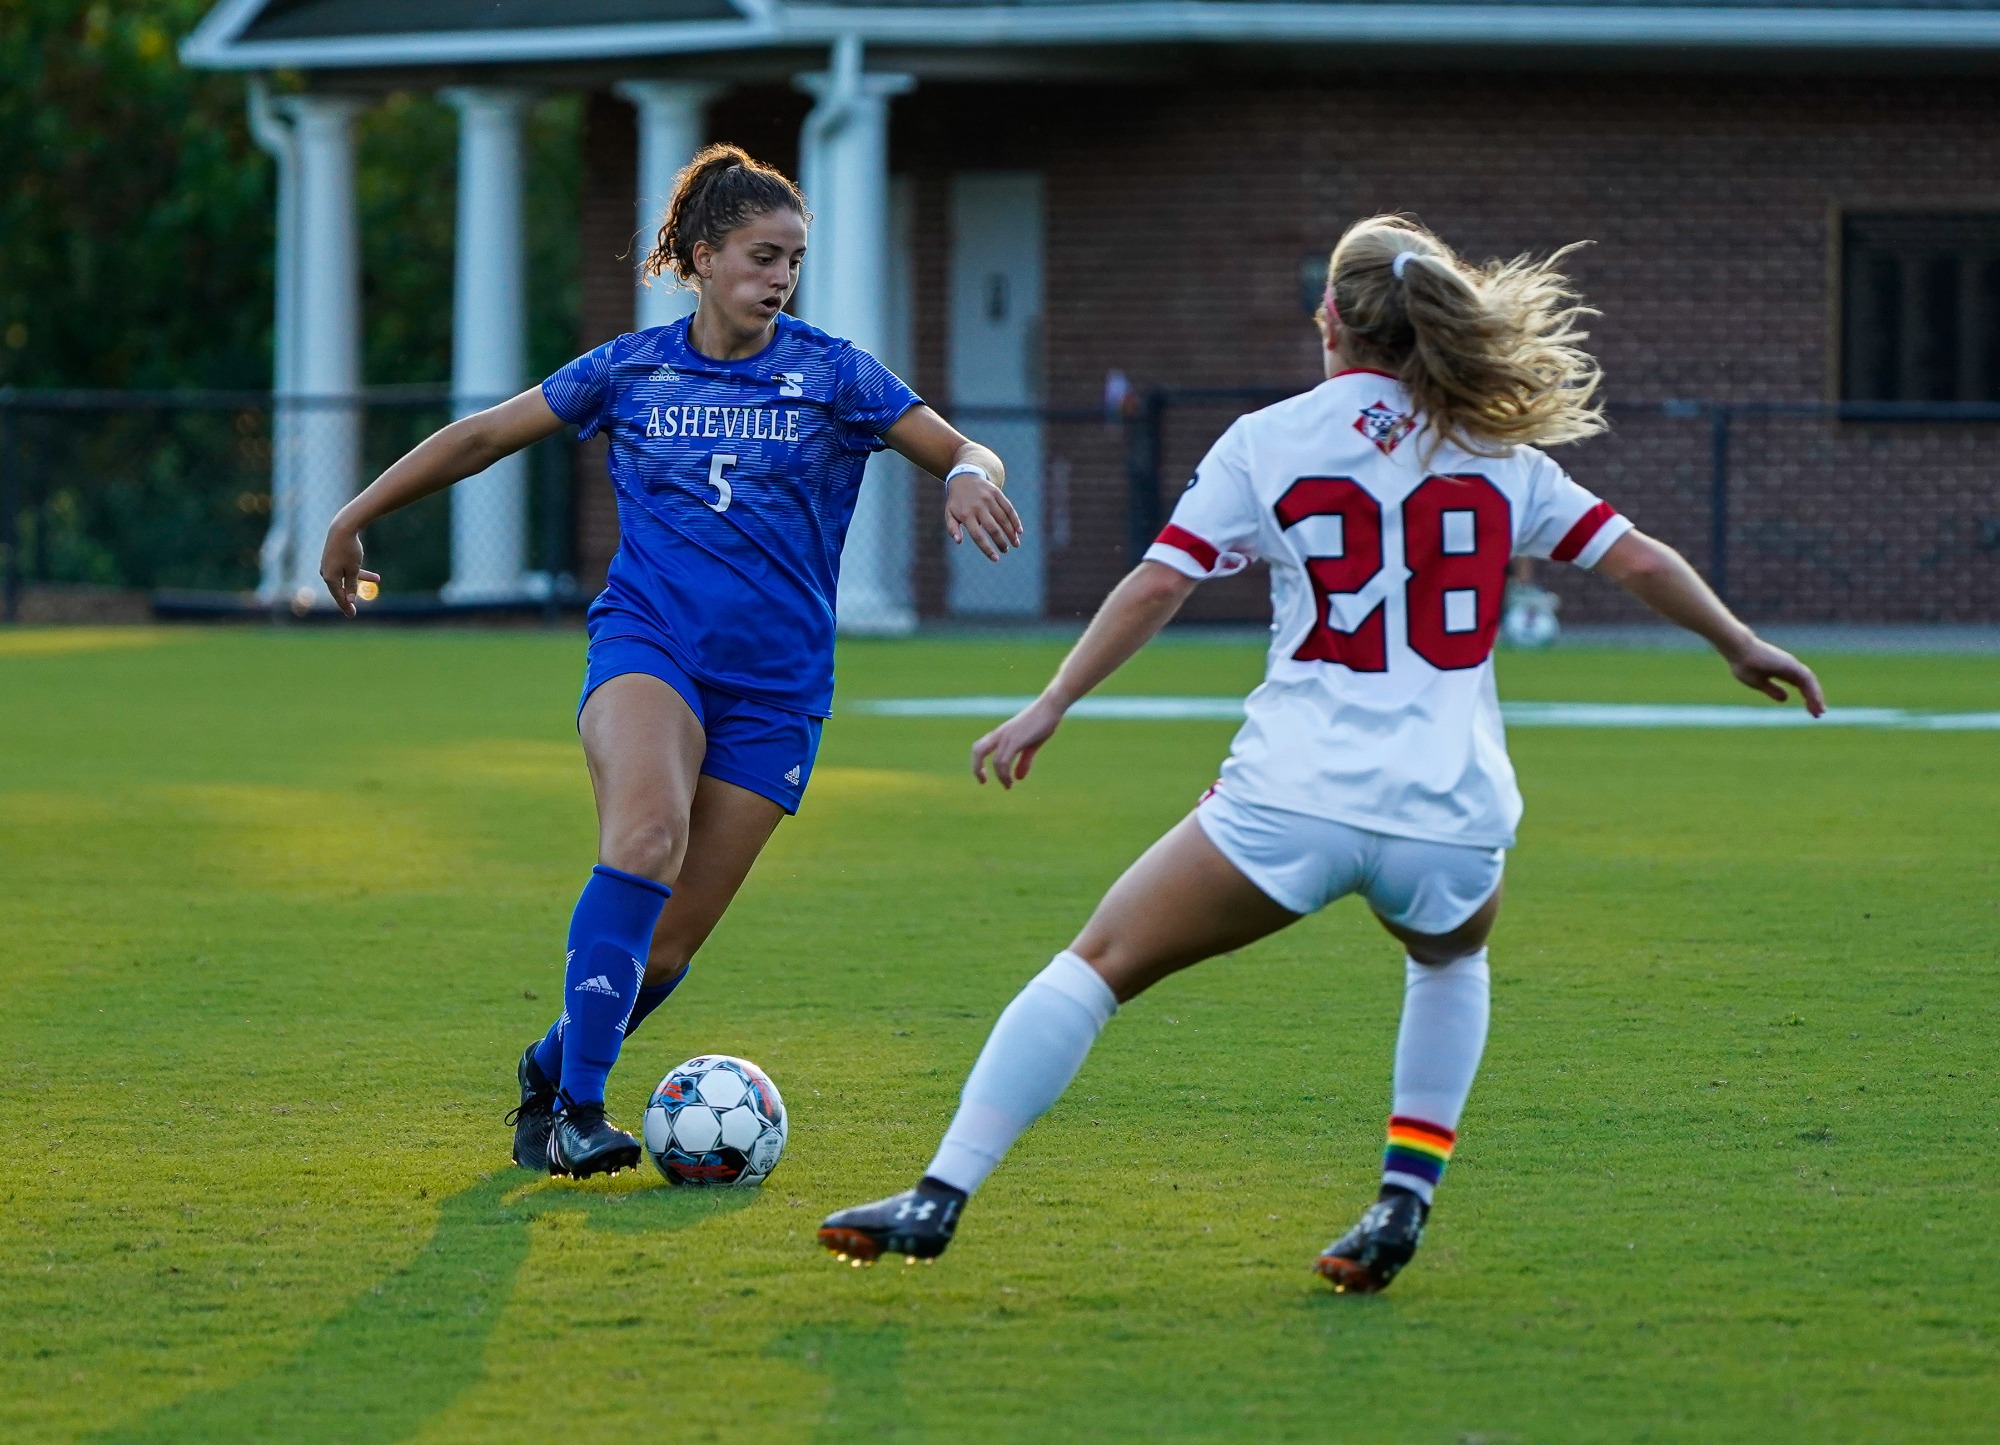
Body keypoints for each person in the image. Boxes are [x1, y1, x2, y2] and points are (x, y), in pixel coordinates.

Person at [818, 215, 1824, 1290]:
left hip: (1291, 797)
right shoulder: (1494, 449)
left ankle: (940, 1190)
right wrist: (1736, 639)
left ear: (1329, 318)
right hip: (1449, 808)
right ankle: (1402, 1199)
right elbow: (1635, 557)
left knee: (1096, 968)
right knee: (1447, 961)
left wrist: (1052, 699)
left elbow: (1159, 580)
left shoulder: (1269, 439)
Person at [319, 145, 1023, 1179]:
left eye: (791, 259)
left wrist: (967, 472)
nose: (779, 277)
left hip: (776, 690)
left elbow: (966, 449)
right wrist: (355, 512)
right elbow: (481, 437)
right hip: (649, 647)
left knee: (666, 948)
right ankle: (579, 1111)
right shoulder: (628, 368)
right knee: (644, 836)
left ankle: (550, 1067)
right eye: (758, 255)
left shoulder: (834, 373)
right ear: (701, 258)